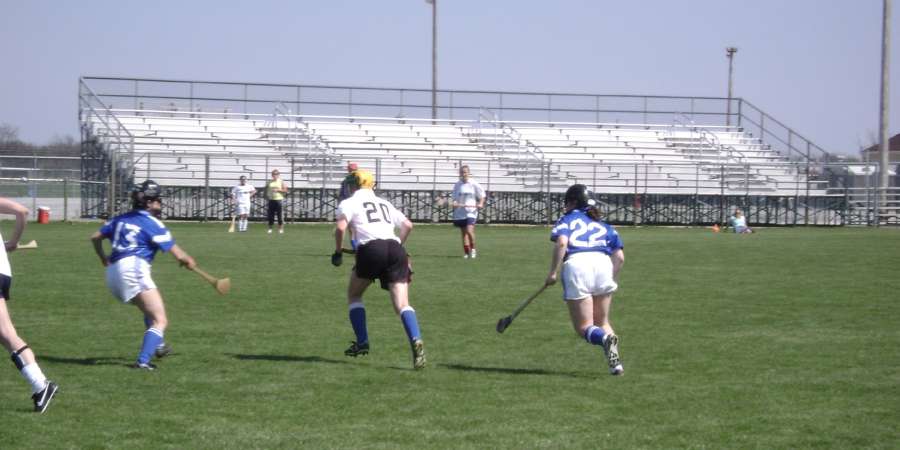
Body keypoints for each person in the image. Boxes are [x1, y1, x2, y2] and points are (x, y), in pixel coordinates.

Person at [90, 180, 197, 370]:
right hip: (133, 269)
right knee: (160, 319)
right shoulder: (152, 222)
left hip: (113, 273)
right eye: (157, 200)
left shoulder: (119, 219)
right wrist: (187, 260)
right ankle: (143, 362)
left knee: (149, 311)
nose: (160, 204)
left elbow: (95, 237)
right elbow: (179, 255)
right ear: (148, 203)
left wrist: (102, 257)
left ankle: (160, 345)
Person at [331, 169, 426, 370]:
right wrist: (398, 245)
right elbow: (408, 225)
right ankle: (416, 340)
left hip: (371, 249)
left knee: (354, 295)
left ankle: (363, 340)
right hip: (395, 248)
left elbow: (340, 228)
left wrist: (338, 252)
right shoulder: (384, 203)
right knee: (402, 304)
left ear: (354, 185)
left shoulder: (349, 202)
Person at [545, 184, 625, 376]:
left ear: (572, 202)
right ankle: (616, 364)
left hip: (578, 265)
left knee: (584, 327)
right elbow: (620, 257)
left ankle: (604, 340)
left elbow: (562, 242)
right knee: (602, 321)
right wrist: (608, 280)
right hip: (603, 264)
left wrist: (553, 273)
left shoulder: (567, 219)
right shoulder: (603, 224)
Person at [0, 197, 59, 412]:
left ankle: (41, 385)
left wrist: (13, 244)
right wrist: (13, 242)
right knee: (6, 334)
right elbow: (21, 212)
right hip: (3, 272)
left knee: (7, 334)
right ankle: (41, 385)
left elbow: (22, 211)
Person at [451, 165, 486, 258]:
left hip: (471, 211)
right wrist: (455, 203)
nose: (464, 174)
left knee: (470, 231)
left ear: (468, 173)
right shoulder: (457, 184)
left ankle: (473, 249)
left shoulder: (474, 183)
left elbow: (482, 195)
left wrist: (481, 203)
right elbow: (454, 198)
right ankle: (466, 252)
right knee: (464, 233)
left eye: (465, 172)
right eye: (462, 172)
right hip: (460, 212)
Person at [338, 162, 360, 250]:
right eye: (351, 169)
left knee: (355, 226)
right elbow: (343, 193)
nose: (352, 171)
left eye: (354, 170)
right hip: (349, 205)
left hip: (356, 204)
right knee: (350, 227)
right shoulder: (346, 181)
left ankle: (356, 244)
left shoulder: (359, 180)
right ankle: (354, 245)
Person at [265, 169, 289, 234]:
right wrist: (267, 196)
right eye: (273, 174)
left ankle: (280, 229)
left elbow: (286, 190)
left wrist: (278, 190)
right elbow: (266, 189)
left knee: (280, 215)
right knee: (270, 215)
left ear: (278, 175)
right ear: (272, 175)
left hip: (279, 200)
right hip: (271, 200)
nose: (275, 175)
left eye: (276, 174)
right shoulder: (269, 181)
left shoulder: (281, 181)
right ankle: (270, 228)